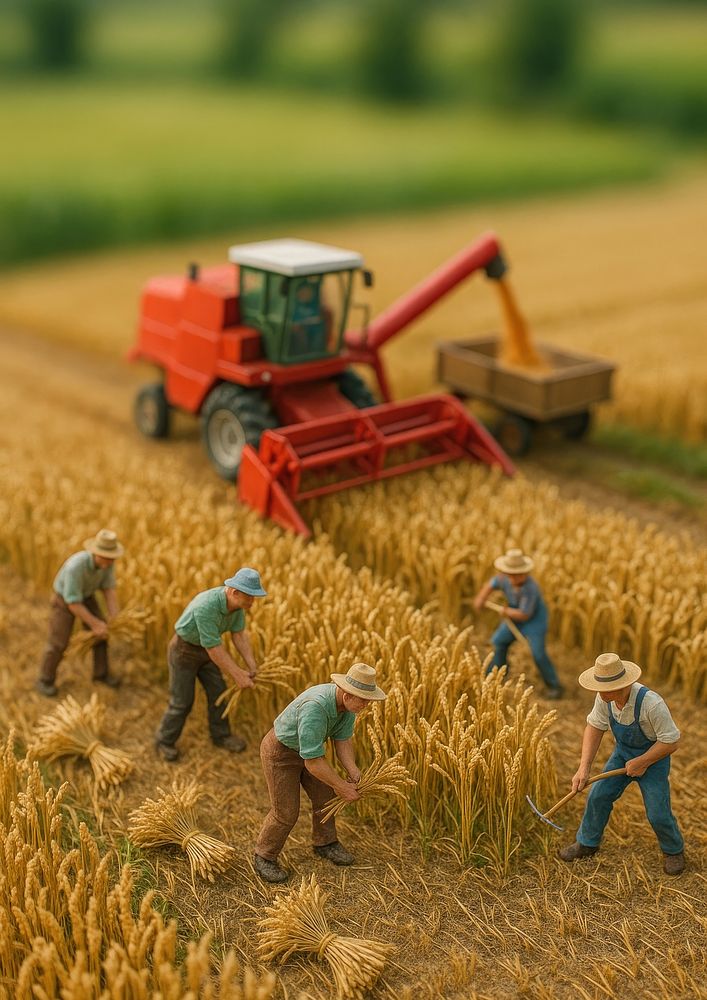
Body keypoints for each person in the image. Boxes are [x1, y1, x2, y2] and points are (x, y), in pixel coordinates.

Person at [253, 662, 387, 884]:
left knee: (325, 798)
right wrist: (342, 787)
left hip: (310, 752)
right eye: (364, 700)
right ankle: (264, 856)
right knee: (286, 811)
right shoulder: (315, 708)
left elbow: (342, 739)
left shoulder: (348, 707)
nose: (366, 705)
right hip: (282, 754)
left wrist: (353, 770)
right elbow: (313, 762)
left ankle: (325, 843)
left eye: (368, 700)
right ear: (347, 695)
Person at [559, 652, 685, 876]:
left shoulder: (651, 704)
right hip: (623, 754)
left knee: (657, 812)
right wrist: (583, 768)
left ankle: (673, 850)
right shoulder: (604, 698)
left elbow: (671, 741)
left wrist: (643, 761)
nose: (601, 693)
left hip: (654, 759)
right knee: (598, 796)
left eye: (607, 689)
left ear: (624, 684)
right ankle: (587, 843)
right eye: (599, 688)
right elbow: (594, 727)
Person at [154, 567, 266, 762]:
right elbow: (213, 648)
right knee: (182, 701)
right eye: (249, 596)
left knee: (218, 694)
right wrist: (237, 674)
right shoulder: (206, 605)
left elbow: (239, 635)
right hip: (184, 651)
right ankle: (164, 741)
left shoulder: (238, 607)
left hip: (207, 652)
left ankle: (221, 736)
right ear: (235, 592)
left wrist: (251, 664)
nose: (252, 602)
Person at [36, 529, 124, 697]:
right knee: (59, 642)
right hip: (64, 599)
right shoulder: (75, 567)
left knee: (102, 635)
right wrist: (95, 624)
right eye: (106, 557)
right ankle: (45, 679)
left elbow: (108, 590)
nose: (109, 561)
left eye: (112, 558)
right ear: (96, 553)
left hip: (86, 595)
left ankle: (101, 674)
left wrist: (114, 616)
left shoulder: (108, 564)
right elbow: (73, 603)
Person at [473, 547, 563, 699]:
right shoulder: (503, 578)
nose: (513, 578)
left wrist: (505, 611)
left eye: (518, 574)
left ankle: (554, 686)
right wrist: (481, 598)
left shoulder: (531, 588)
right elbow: (491, 584)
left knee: (538, 654)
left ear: (525, 573)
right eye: (511, 574)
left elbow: (524, 615)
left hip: (534, 622)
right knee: (498, 642)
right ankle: (496, 673)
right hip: (513, 615)